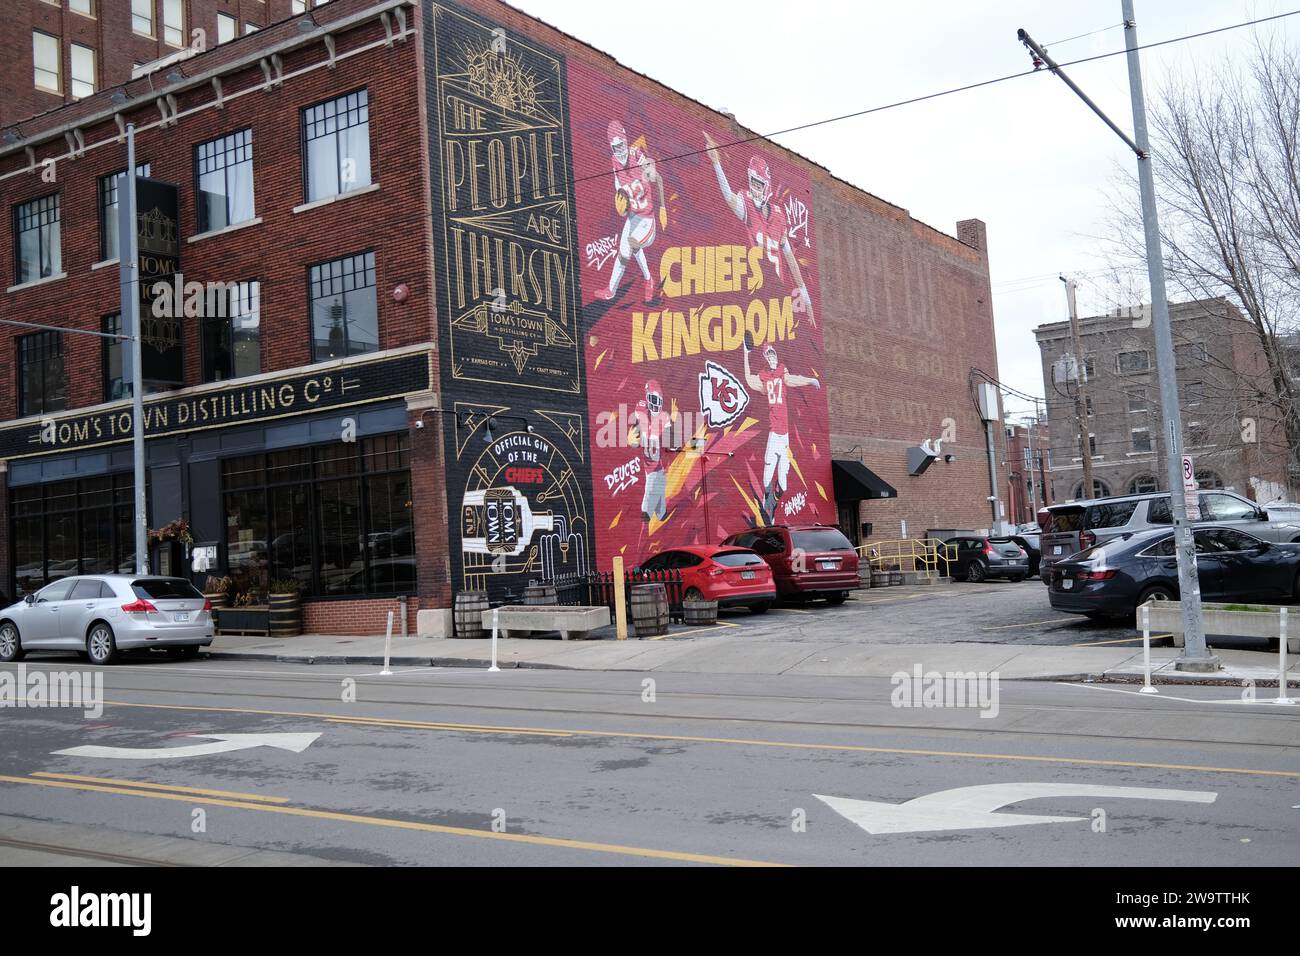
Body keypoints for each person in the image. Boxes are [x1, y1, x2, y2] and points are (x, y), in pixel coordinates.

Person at [703, 130, 815, 325]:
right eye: (753, 183)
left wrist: (806, 297)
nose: (755, 189)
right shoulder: (746, 202)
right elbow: (729, 197)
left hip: (778, 295)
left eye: (759, 184)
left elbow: (790, 260)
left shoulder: (779, 215)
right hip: (757, 289)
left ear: (767, 186)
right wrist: (716, 164)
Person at [743, 341, 820, 521]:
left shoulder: (781, 371)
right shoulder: (764, 377)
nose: (771, 357)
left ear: (776, 356)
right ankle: (767, 501)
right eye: (768, 355)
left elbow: (791, 379)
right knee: (768, 471)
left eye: (773, 354)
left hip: (784, 437)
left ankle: (773, 501)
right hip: (773, 434)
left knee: (783, 483)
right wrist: (745, 354)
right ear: (765, 358)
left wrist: (809, 380)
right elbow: (748, 379)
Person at [596, 121, 667, 304]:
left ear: (626, 141)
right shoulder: (614, 162)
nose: (619, 150)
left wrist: (663, 208)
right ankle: (612, 289)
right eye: (615, 147)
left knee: (632, 243)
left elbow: (657, 179)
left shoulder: (638, 157)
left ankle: (648, 278)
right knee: (623, 253)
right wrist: (621, 200)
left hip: (647, 219)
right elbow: (618, 186)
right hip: (633, 216)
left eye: (621, 145)